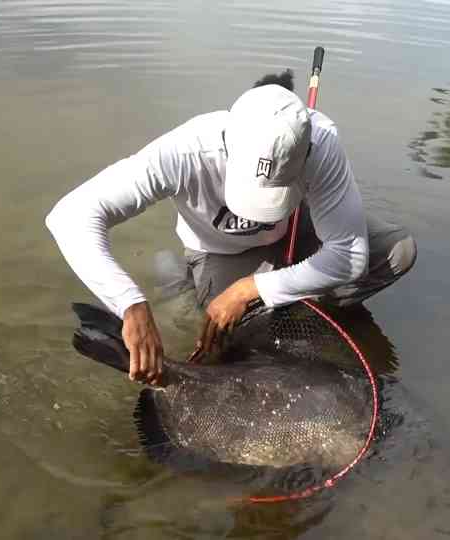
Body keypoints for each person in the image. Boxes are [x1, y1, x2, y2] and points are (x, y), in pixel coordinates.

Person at [46, 72, 416, 384]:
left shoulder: (322, 141)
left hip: (296, 228)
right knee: (235, 344)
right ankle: (182, 282)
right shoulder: (184, 152)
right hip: (223, 248)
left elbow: (350, 256)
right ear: (228, 146)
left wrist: (250, 290)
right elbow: (70, 216)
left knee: (397, 252)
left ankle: (308, 311)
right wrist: (130, 304)